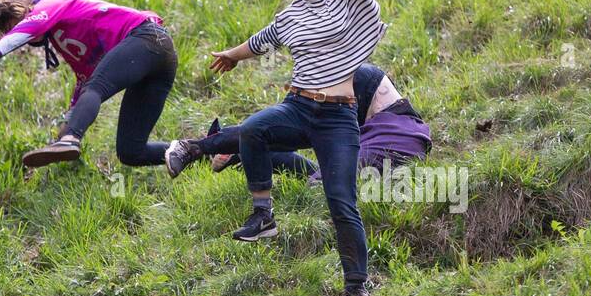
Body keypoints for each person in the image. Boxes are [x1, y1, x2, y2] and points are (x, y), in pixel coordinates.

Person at [193, 0, 384, 296]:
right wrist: (231, 54)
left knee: (341, 202)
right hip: (299, 107)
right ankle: (263, 214)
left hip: (337, 116)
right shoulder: (295, 13)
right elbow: (262, 40)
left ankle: (357, 285)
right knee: (254, 129)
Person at [0, 0, 179, 170]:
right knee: (131, 152)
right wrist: (70, 119)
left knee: (96, 87)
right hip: (152, 62)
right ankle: (200, 150)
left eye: (17, 25)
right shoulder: (63, 37)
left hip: (147, 37)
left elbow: (32, 25)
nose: (23, 34)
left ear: (25, 11)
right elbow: (85, 76)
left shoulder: (49, 3)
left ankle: (72, 139)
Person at [166, 63, 432, 179]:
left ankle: (225, 147)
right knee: (304, 145)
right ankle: (214, 146)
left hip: (383, 112)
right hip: (373, 101)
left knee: (315, 171)